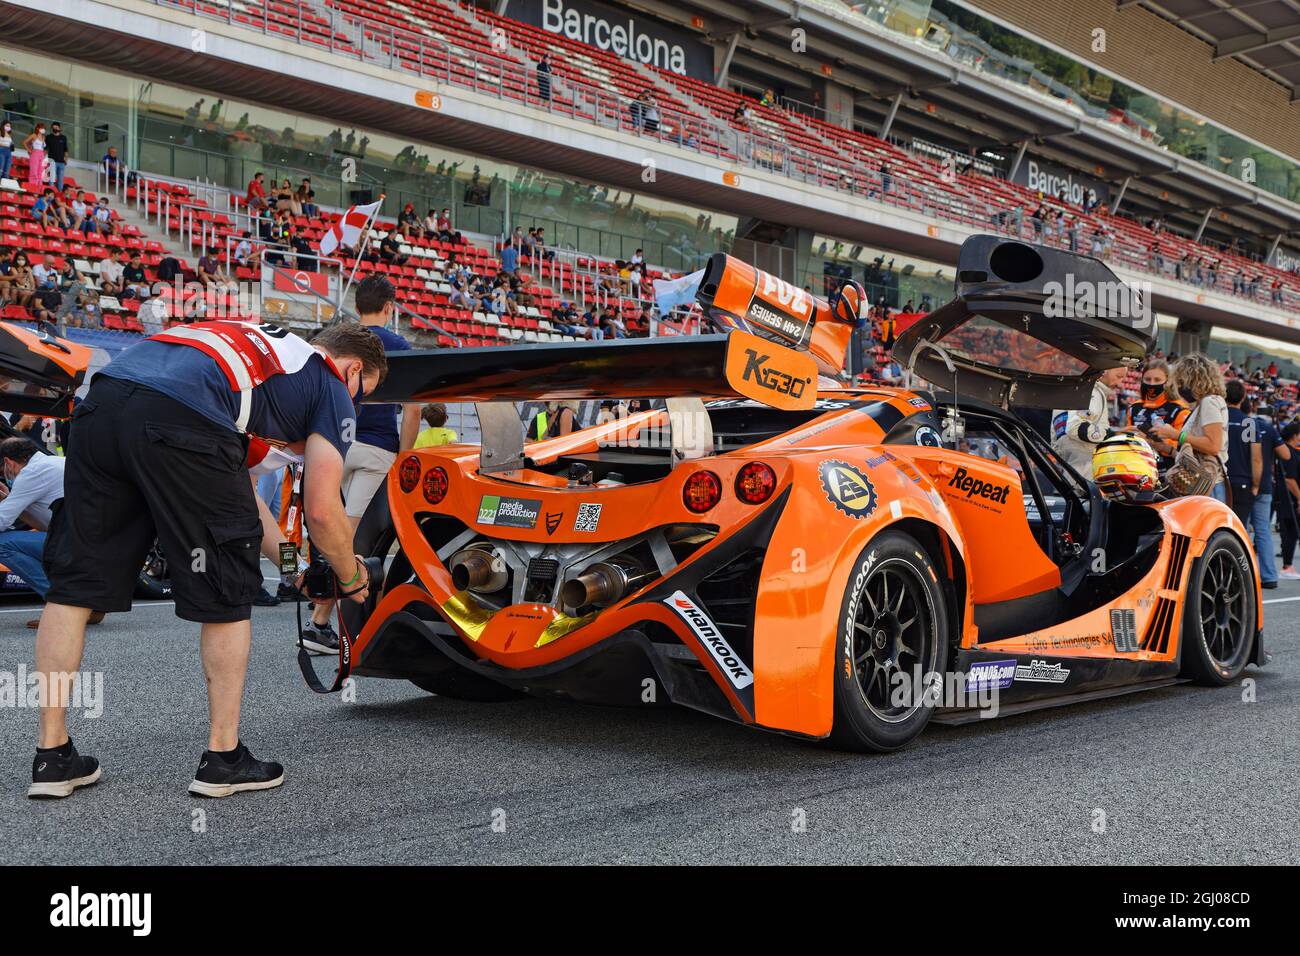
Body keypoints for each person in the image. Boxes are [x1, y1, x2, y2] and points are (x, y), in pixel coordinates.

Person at [29, 320, 387, 799]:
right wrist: (350, 575)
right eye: (364, 393)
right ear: (354, 369)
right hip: (183, 417)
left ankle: (52, 758)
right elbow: (323, 512)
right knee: (227, 588)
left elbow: (242, 499)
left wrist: (294, 571)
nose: (356, 405)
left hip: (104, 401)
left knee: (73, 588)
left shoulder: (253, 352)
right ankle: (223, 759)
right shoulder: (329, 383)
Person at [301, 277, 418, 654]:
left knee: (324, 526)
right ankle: (320, 623)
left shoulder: (342, 338)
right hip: (376, 449)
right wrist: (405, 455)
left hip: (332, 441)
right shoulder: (398, 345)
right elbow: (413, 408)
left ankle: (314, 591)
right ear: (389, 307)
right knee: (348, 535)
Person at [0, 437, 104, 629]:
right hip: (92, 542)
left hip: (77, 544)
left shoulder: (30, 474)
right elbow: (51, 526)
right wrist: (9, 500)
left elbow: (2, 521)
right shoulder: (53, 463)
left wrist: (5, 504)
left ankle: (65, 604)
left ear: (8, 463)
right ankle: (88, 604)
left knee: (1, 543)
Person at [1152, 353, 1228, 502]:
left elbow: (1213, 446)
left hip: (1207, 485)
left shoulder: (1209, 402)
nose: (1180, 387)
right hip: (1207, 484)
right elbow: (1196, 453)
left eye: (1181, 381)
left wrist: (1175, 434)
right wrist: (1167, 448)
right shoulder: (1208, 402)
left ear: (1193, 380)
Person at [1052, 366, 1129, 476]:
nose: (1120, 383)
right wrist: (1112, 435)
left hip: (1068, 469)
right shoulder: (1092, 392)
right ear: (1104, 370)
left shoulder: (1076, 389)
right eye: (1119, 376)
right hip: (1083, 472)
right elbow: (1075, 427)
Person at [1125, 358, 1188, 470]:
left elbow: (1183, 448)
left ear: (1167, 381)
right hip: (1138, 469)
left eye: (1157, 380)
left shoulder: (1179, 409)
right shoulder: (1134, 408)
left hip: (1169, 472)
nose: (1151, 384)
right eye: (1148, 379)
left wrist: (1154, 441)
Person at [1222, 380, 1261, 529]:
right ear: (1243, 398)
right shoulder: (1248, 422)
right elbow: (1256, 458)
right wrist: (1256, 485)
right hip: (1241, 482)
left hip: (1218, 480)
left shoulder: (1218, 419)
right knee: (1237, 528)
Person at [1277, 422, 1300, 580]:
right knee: (1290, 532)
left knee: (1290, 532)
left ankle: (1288, 565)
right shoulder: (1288, 452)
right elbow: (1290, 480)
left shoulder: (1287, 451)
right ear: (1295, 435)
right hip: (1289, 499)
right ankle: (1287, 566)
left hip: (1287, 498)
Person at [45, 122, 69, 192]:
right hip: (52, 162)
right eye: (54, 128)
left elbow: (66, 150)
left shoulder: (63, 137)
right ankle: (51, 194)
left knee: (60, 181)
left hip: (61, 163)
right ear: (52, 128)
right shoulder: (48, 137)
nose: (55, 129)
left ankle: (59, 196)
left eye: (56, 127)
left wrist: (66, 159)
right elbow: (45, 149)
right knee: (51, 180)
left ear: (59, 128)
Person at [23, 124, 47, 189]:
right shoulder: (34, 135)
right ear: (38, 128)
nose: (43, 129)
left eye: (44, 128)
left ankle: (39, 187)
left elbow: (44, 147)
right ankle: (32, 186)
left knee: (40, 171)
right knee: (34, 171)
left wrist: (44, 153)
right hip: (35, 153)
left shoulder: (43, 137)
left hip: (41, 154)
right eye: (42, 128)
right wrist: (29, 150)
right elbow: (25, 142)